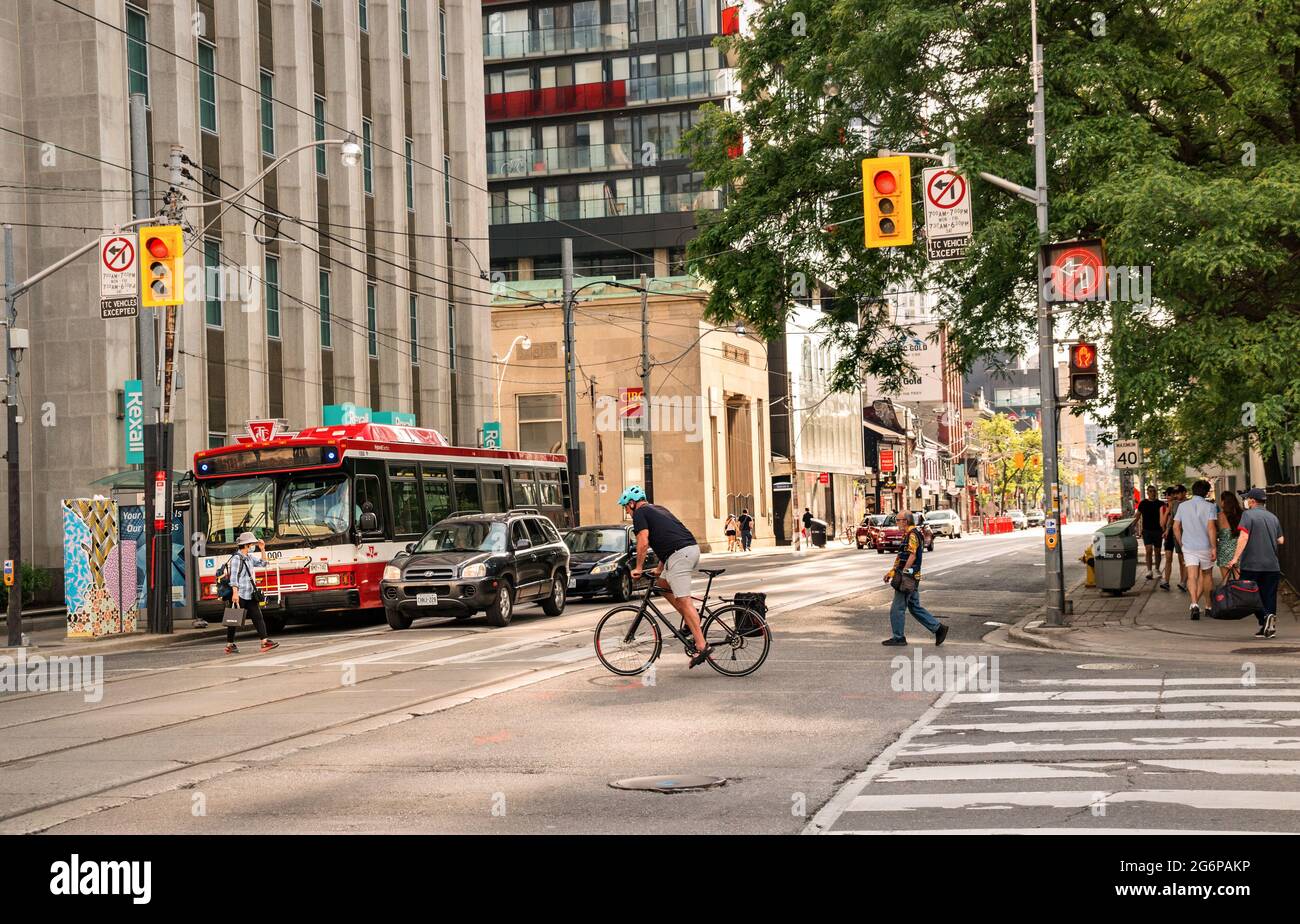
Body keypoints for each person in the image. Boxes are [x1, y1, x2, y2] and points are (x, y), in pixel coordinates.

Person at [620, 486, 712, 667]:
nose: (627, 512)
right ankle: (690, 619)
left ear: (632, 503)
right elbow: (667, 540)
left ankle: (702, 645)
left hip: (681, 555)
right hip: (687, 550)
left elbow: (643, 541)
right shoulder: (658, 509)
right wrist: (659, 568)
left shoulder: (640, 514)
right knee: (662, 584)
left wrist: (638, 567)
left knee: (684, 600)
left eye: (625, 507)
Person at [881, 511, 948, 647]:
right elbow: (901, 556)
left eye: (898, 520)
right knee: (914, 607)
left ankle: (898, 637)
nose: (896, 522)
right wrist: (892, 572)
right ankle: (938, 628)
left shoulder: (912, 534)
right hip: (912, 576)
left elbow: (912, 556)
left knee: (897, 608)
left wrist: (904, 573)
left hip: (908, 578)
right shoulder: (912, 534)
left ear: (905, 521)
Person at [1226, 487, 1285, 639]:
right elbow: (1281, 540)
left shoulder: (1247, 515)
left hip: (1252, 564)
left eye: (1247, 499)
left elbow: (1243, 538)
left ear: (1252, 501)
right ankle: (1268, 624)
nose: (1246, 501)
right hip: (1272, 565)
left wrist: (1234, 558)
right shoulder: (1273, 517)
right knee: (1269, 595)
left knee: (1250, 596)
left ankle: (1265, 617)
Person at [224, 532, 279, 654]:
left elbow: (264, 563)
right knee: (234, 619)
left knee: (258, 617)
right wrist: (235, 594)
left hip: (250, 593)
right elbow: (233, 577)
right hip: (240, 594)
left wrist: (262, 549)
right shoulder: (236, 559)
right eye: (252, 544)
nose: (253, 545)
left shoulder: (249, 557)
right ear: (247, 545)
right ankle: (230, 644)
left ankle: (264, 641)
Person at [1172, 479, 1217, 620]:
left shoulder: (1183, 506)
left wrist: (1181, 543)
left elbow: (1175, 527)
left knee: (1192, 576)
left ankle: (1194, 603)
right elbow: (1211, 528)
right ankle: (1209, 606)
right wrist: (1214, 547)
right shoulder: (1210, 507)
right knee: (1207, 575)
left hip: (1188, 546)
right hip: (1205, 546)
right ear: (1206, 492)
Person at [1159, 485, 1188, 592]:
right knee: (1174, 558)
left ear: (1184, 492)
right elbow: (1171, 519)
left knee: (1183, 560)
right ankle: (1176, 581)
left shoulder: (1188, 504)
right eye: (1175, 493)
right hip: (1175, 534)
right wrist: (1167, 530)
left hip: (1185, 534)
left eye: (1178, 493)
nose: (1176, 495)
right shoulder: (1174, 504)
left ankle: (1183, 582)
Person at [1136, 484, 1166, 580]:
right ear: (1147, 493)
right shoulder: (1143, 503)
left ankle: (1157, 569)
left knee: (1157, 551)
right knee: (1148, 550)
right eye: (1151, 491)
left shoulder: (1160, 504)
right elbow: (1137, 516)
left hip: (1158, 531)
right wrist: (1132, 526)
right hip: (1147, 531)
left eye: (1154, 491)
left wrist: (1165, 529)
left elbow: (1165, 517)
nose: (1153, 493)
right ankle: (1149, 570)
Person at [1214, 490, 1243, 587]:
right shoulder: (1241, 514)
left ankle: (1227, 598)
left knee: (1225, 579)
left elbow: (1215, 533)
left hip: (1224, 550)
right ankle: (1240, 596)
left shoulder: (1219, 517)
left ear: (1223, 502)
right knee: (1238, 576)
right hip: (1239, 549)